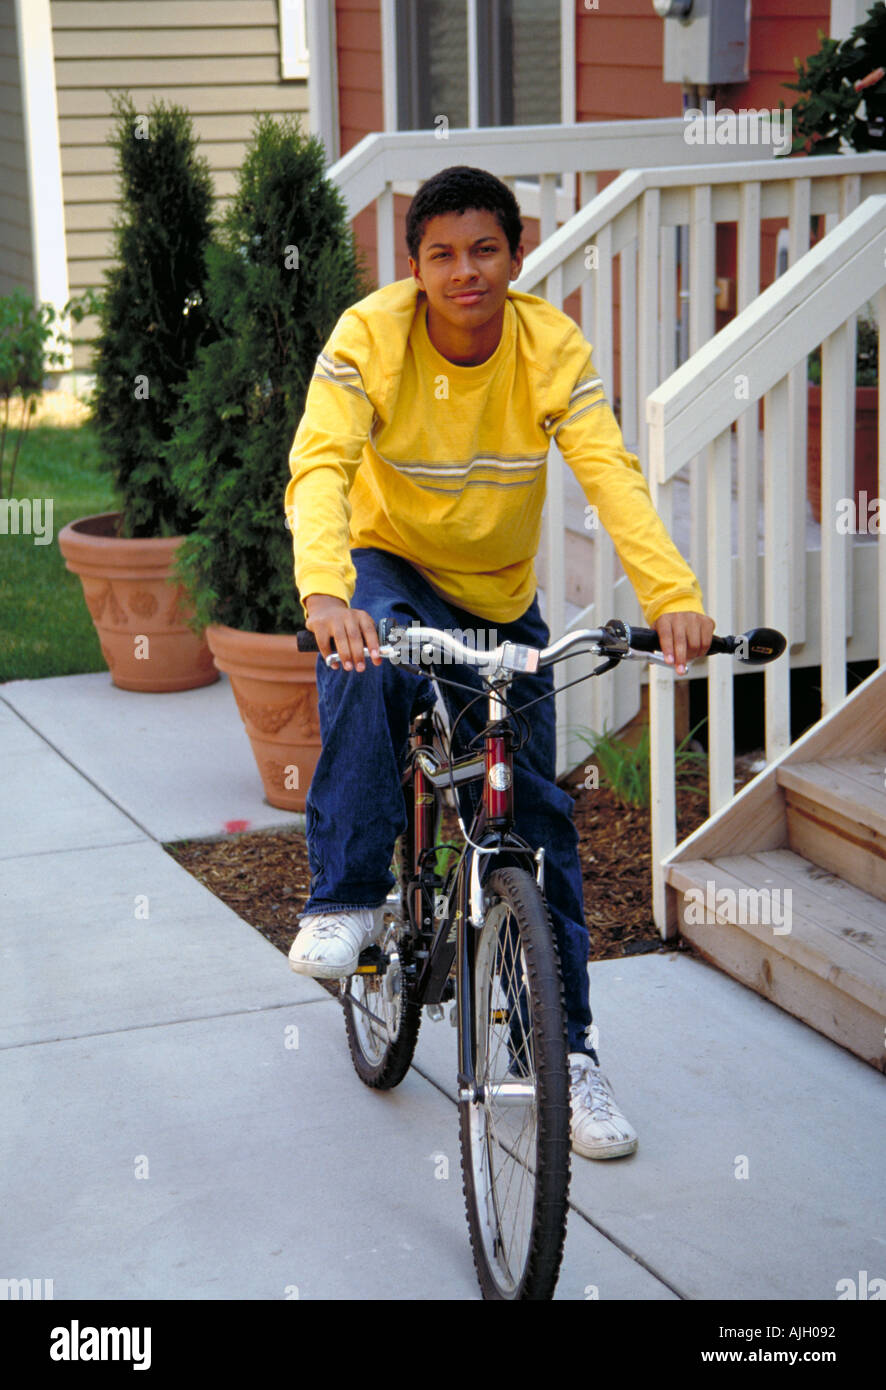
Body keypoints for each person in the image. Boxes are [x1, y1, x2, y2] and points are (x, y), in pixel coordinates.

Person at [284, 165, 714, 1160]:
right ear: (415, 266)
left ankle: (567, 1052)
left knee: (534, 819)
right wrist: (324, 593)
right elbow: (321, 466)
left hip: (497, 596)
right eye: (441, 253)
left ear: (517, 257)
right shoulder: (369, 338)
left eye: (485, 250)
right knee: (363, 665)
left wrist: (670, 594)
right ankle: (348, 896)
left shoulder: (548, 346)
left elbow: (607, 469)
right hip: (386, 563)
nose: (464, 271)